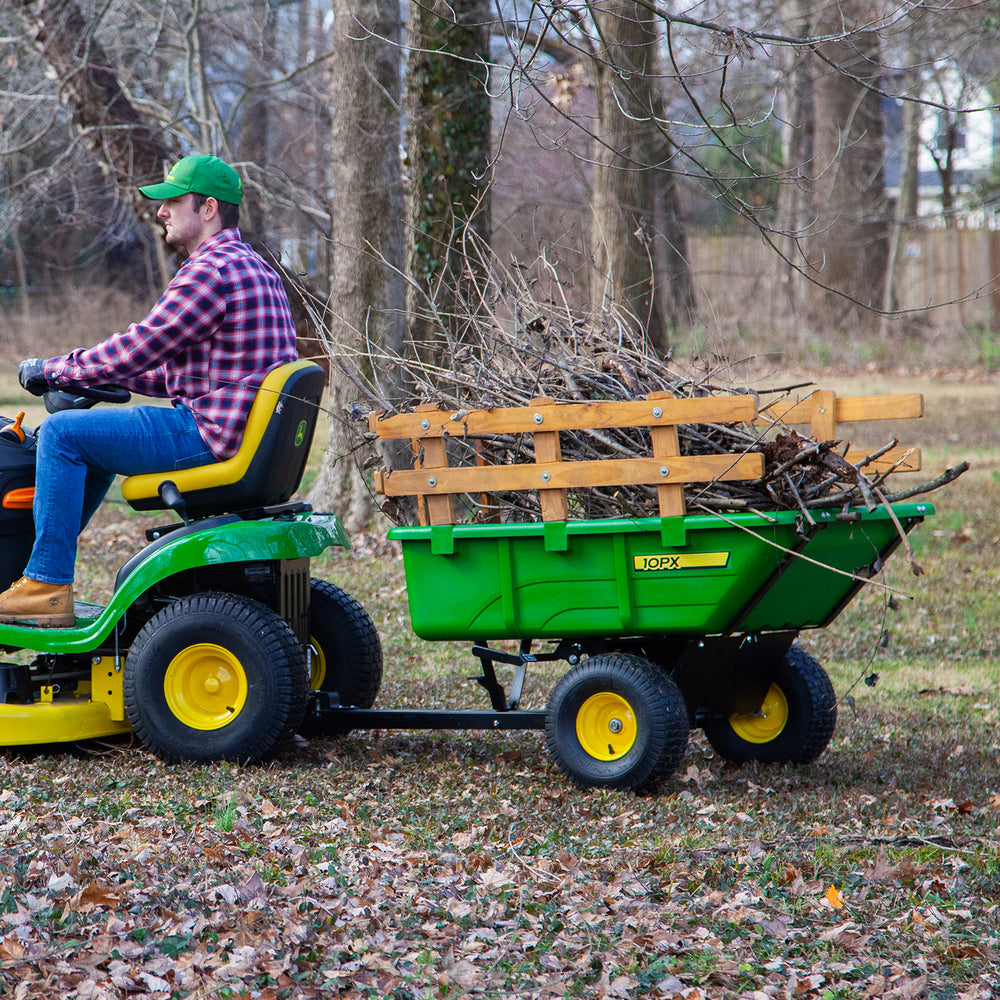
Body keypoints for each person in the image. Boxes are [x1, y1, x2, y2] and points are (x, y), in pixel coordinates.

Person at [0, 154, 297, 627]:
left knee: (60, 434)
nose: (161, 211)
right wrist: (94, 377)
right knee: (84, 440)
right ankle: (39, 577)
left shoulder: (210, 271)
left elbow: (139, 347)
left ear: (208, 209)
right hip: (236, 430)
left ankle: (46, 584)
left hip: (207, 435)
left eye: (173, 201)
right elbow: (181, 373)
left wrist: (54, 369)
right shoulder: (255, 267)